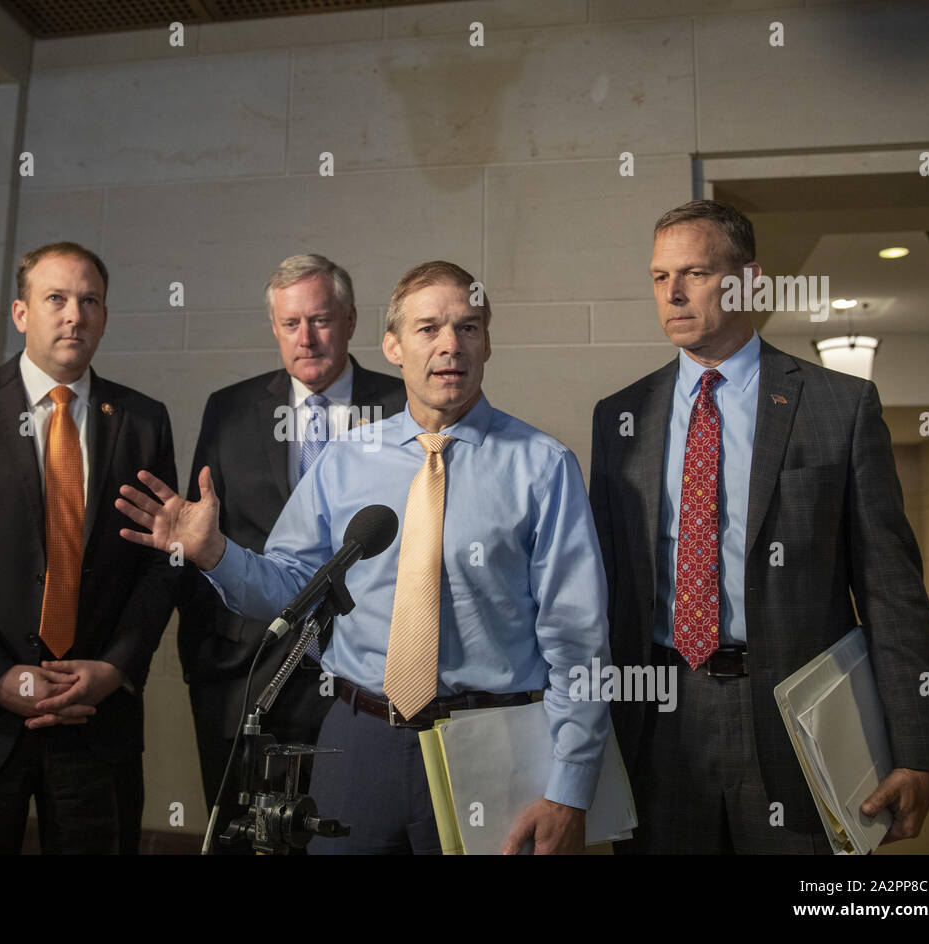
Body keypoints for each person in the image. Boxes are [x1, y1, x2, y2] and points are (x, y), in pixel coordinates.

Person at [119, 260, 611, 855]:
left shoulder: (544, 466)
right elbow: (292, 589)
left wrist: (570, 788)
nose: (450, 345)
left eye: (469, 327)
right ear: (394, 346)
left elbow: (577, 641)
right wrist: (215, 553)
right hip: (358, 740)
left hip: (492, 743)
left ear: (488, 342)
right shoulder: (346, 459)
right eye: (428, 328)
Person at [589, 199, 929, 853]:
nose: (671, 293)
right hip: (658, 719)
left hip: (800, 719)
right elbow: (605, 591)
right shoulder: (621, 417)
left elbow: (890, 589)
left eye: (695, 273)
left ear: (749, 281)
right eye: (658, 276)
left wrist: (919, 748)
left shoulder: (839, 407)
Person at [0, 241, 179, 854]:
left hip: (94, 719)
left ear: (104, 315)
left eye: (90, 300)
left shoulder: (144, 420)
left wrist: (116, 667)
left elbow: (161, 560)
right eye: (56, 299)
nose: (74, 314)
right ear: (21, 313)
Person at [178, 254, 405, 850]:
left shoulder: (404, 405)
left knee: (344, 840)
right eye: (290, 324)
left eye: (322, 320)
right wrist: (204, 667)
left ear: (352, 320)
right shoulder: (228, 408)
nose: (306, 339)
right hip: (246, 678)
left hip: (365, 687)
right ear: (274, 329)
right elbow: (204, 539)